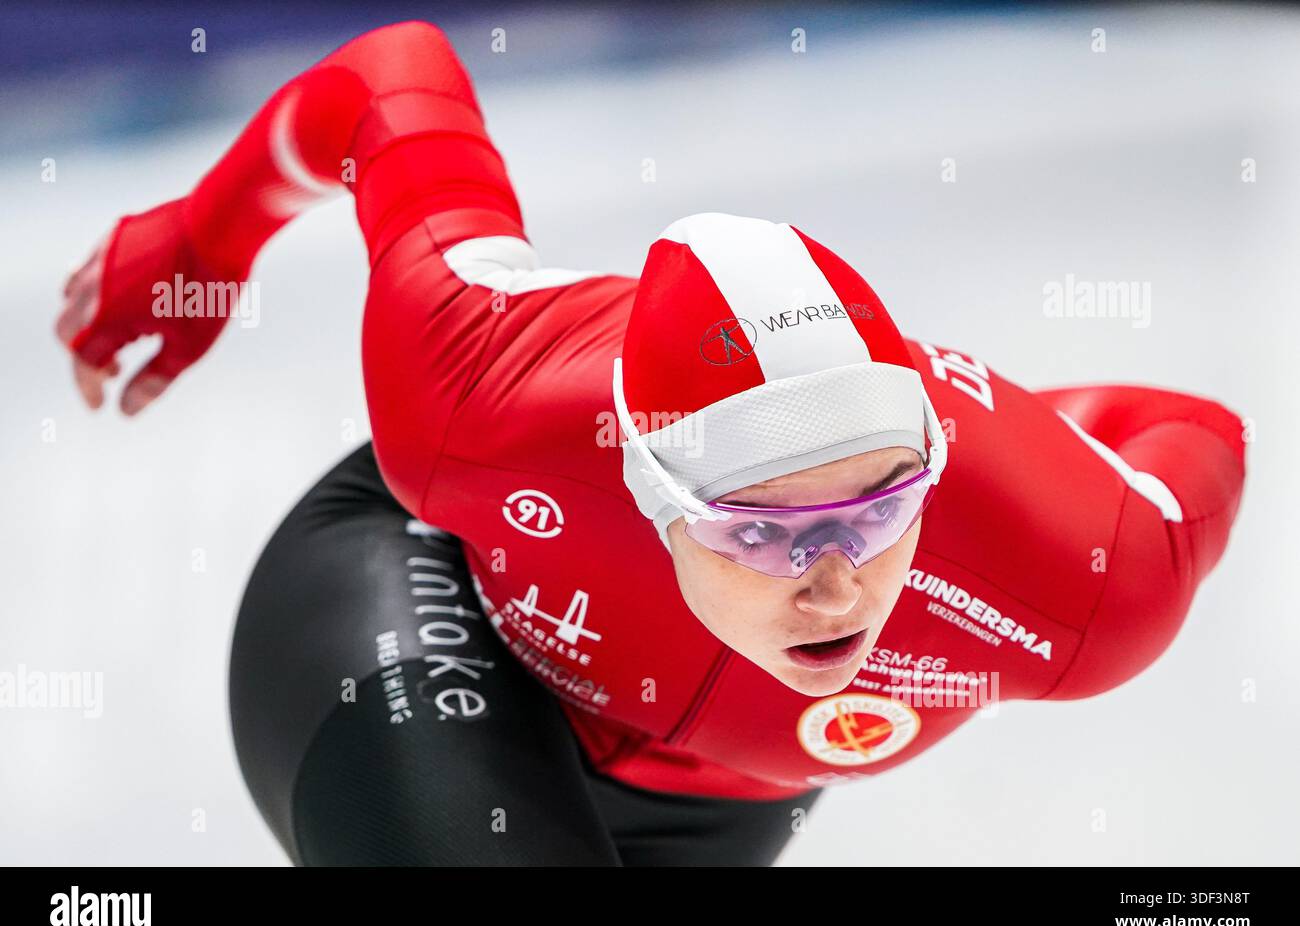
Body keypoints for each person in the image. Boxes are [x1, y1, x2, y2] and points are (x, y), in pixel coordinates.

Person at [54, 22, 1248, 866]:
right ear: (650, 486)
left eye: (879, 510)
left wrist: (1023, 455)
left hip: (722, 794)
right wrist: (206, 239)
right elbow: (389, 80)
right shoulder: (477, 385)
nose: (835, 580)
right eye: (762, 530)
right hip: (430, 598)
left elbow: (1198, 432)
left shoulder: (1087, 583)